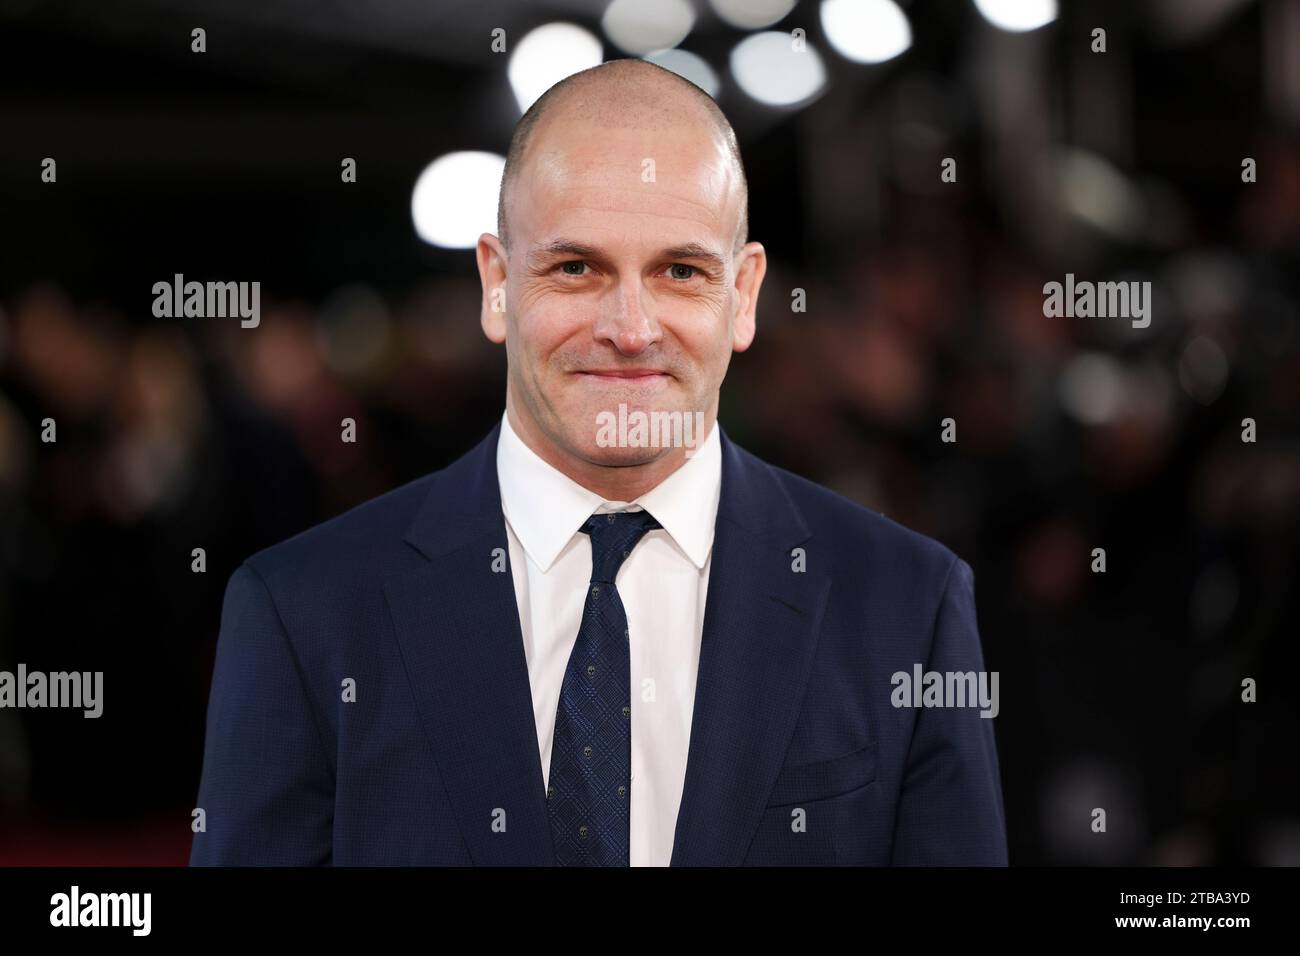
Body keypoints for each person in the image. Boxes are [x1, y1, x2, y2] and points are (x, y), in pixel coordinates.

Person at [190, 58, 1007, 866]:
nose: (631, 326)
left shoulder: (907, 606)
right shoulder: (304, 614)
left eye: (680, 272)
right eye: (577, 268)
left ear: (745, 295)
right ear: (497, 283)